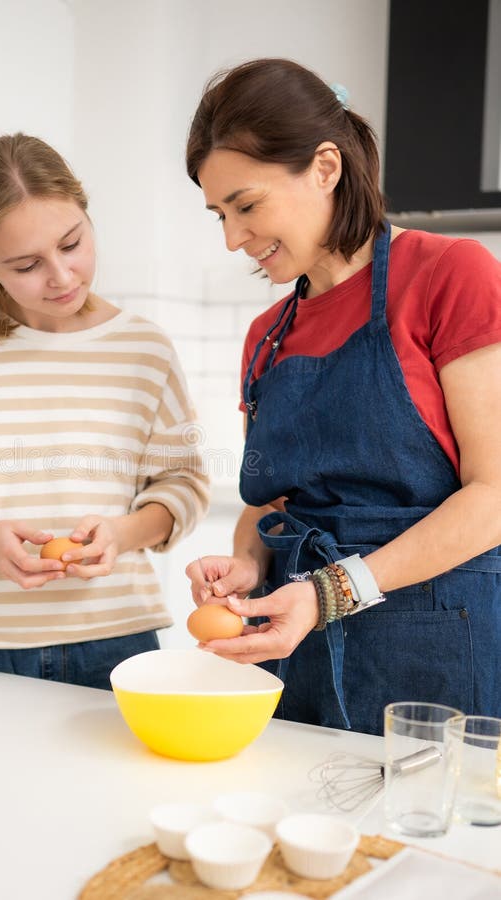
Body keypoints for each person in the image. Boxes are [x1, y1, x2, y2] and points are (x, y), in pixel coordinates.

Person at [183, 58, 501, 735]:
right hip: (293, 653)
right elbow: (273, 503)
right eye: (218, 214)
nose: (232, 238)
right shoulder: (264, 336)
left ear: (324, 167)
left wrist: (329, 592)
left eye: (245, 205)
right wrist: (245, 563)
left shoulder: (448, 275)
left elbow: (493, 495)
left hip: (433, 654)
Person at [0, 133, 209, 690]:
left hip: (117, 638)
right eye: (27, 263)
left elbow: (182, 484)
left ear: (86, 215)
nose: (61, 276)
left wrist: (122, 534)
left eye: (72, 243)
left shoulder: (144, 349)